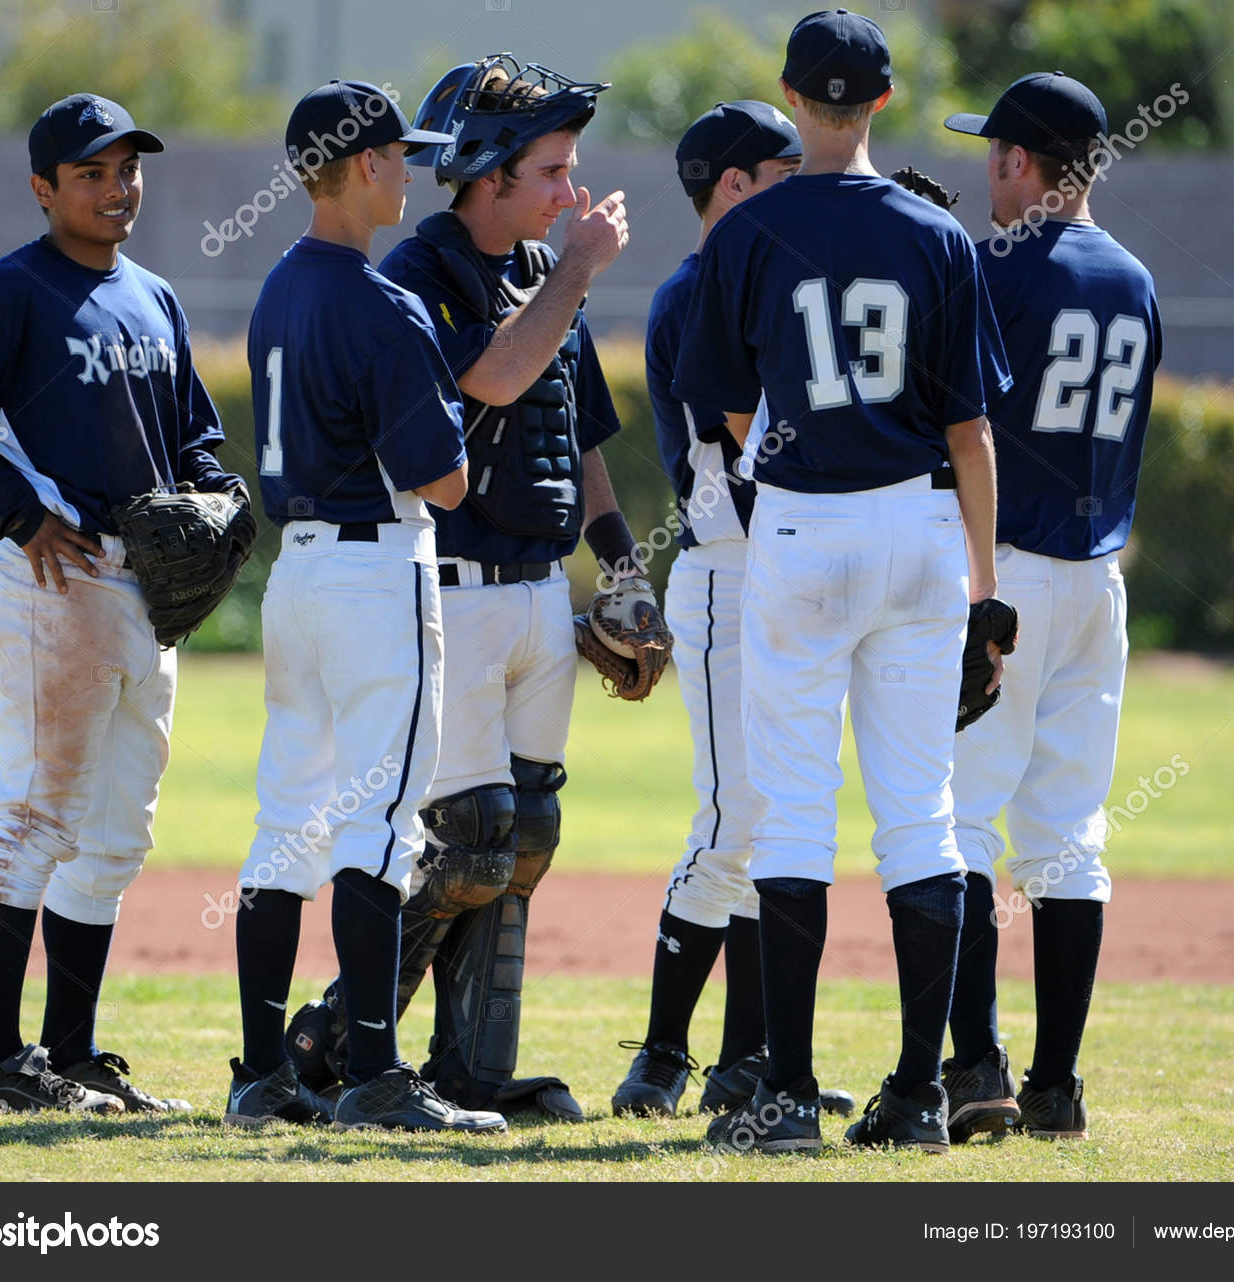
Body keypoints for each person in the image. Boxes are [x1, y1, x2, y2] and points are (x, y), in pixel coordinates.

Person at [674, 10, 1011, 1154]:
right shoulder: (936, 233)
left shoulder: (748, 231)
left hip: (806, 526)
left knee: (792, 812)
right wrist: (985, 586)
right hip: (922, 525)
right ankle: (918, 1093)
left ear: (789, 95)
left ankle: (788, 1094)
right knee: (923, 815)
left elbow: (727, 408)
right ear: (880, 101)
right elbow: (971, 432)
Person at [287, 54, 648, 1122]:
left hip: (538, 587)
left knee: (524, 837)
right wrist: (577, 271)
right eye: (550, 170)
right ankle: (338, 1045)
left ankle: (471, 1072)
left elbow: (574, 432)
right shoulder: (418, 274)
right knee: (467, 838)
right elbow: (489, 378)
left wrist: (623, 564)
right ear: (486, 172)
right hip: (447, 584)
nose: (569, 195)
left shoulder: (544, 261)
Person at [0, 93, 247, 1114]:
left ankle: (71, 1058)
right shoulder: (10, 294)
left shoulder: (156, 299)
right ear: (44, 189)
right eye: (91, 172)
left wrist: (216, 493)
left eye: (128, 167)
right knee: (38, 816)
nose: (116, 186)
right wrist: (12, 512)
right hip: (58, 579)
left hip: (143, 586)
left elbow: (195, 441)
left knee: (118, 829)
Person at [220, 80, 504, 1135]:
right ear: (368, 165)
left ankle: (260, 1075)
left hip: (296, 578)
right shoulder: (382, 302)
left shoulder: (281, 288)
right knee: (381, 826)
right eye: (400, 155)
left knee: (286, 824)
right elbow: (445, 480)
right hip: (375, 568)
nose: (411, 171)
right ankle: (378, 1075)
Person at [609, 101, 851, 1122]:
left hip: (797, 574)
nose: (803, 186)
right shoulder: (694, 292)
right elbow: (760, 451)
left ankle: (745, 1062)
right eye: (782, 171)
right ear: (734, 185)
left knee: (782, 819)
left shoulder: (780, 280)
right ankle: (661, 1056)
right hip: (729, 571)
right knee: (731, 821)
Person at [939, 73, 1163, 1142]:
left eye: (995, 153)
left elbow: (949, 419)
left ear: (1021, 162)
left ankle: (974, 1064)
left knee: (959, 819)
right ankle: (1056, 1085)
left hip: (1007, 575)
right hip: (1095, 582)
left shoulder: (995, 269)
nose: (987, 169)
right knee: (1068, 835)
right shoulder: (1134, 277)